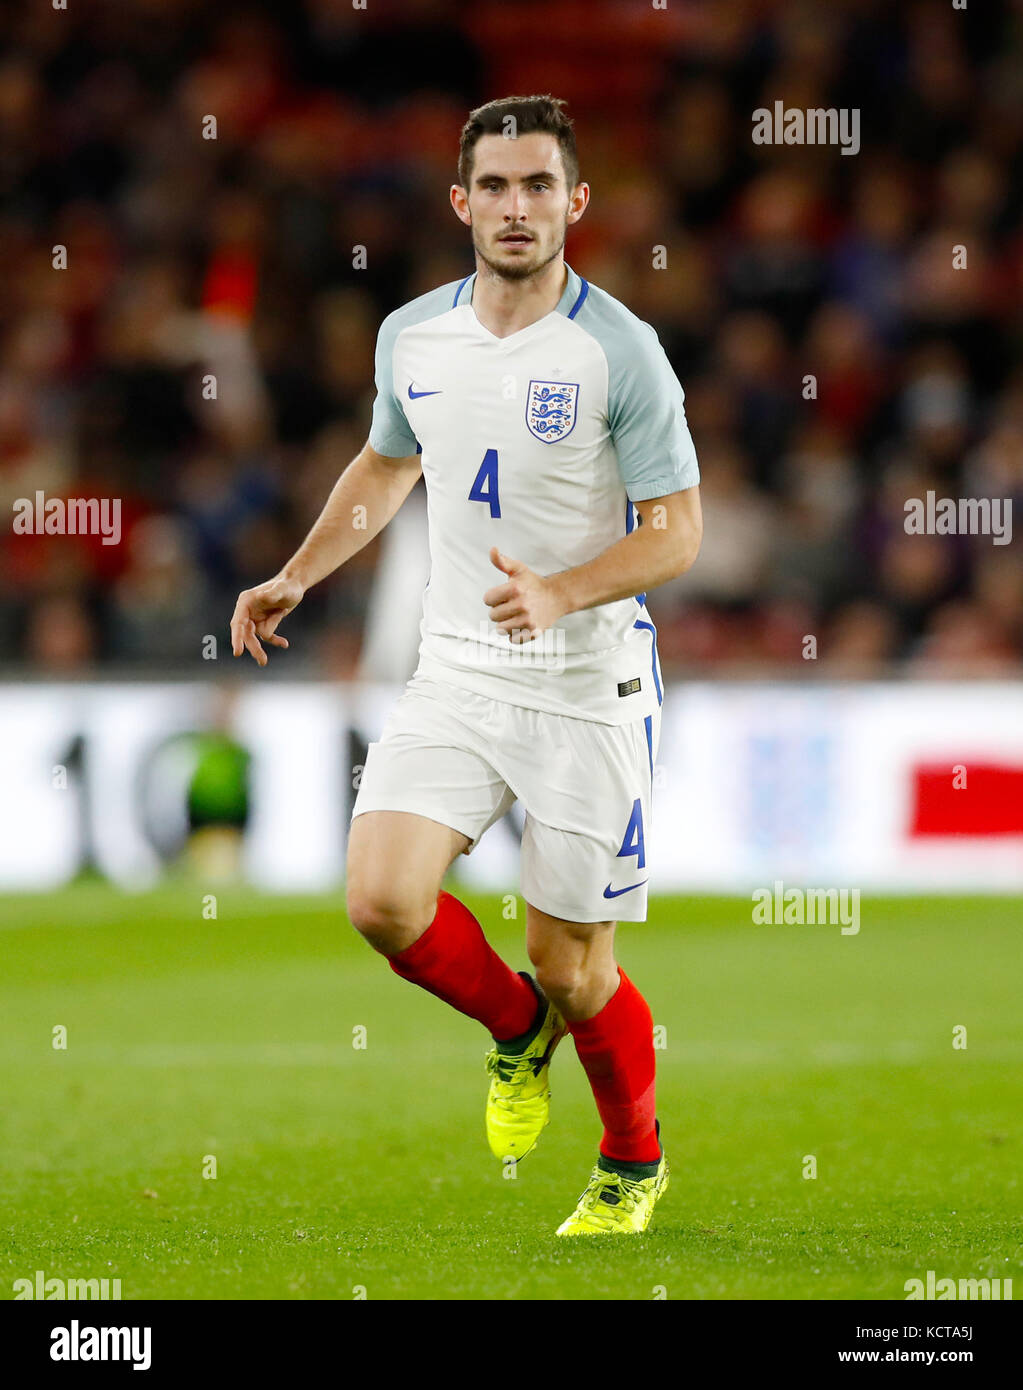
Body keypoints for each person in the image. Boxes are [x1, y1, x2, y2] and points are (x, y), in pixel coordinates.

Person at [230, 94, 702, 1235]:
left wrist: (561, 588)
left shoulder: (620, 351)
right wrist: (301, 570)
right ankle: (511, 1027)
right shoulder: (412, 335)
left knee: (577, 966)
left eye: (540, 185)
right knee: (383, 900)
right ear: (460, 203)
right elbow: (387, 467)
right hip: (457, 666)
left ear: (576, 203)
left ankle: (632, 1160)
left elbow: (678, 531)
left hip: (587, 684)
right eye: (494, 186)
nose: (516, 207)